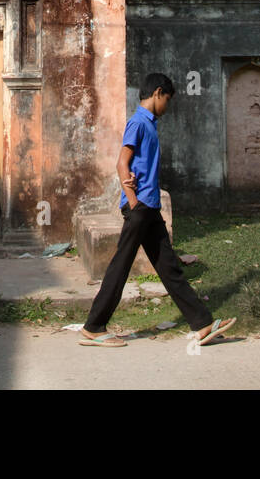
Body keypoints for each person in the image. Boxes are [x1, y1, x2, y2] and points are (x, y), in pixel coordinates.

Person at [78, 72, 236, 347]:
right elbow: (122, 163)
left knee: (169, 268)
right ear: (158, 93)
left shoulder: (150, 124)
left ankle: (202, 323)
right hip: (141, 207)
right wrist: (133, 200)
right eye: (167, 101)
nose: (167, 107)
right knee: (121, 265)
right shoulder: (138, 123)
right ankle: (94, 326)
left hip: (149, 207)